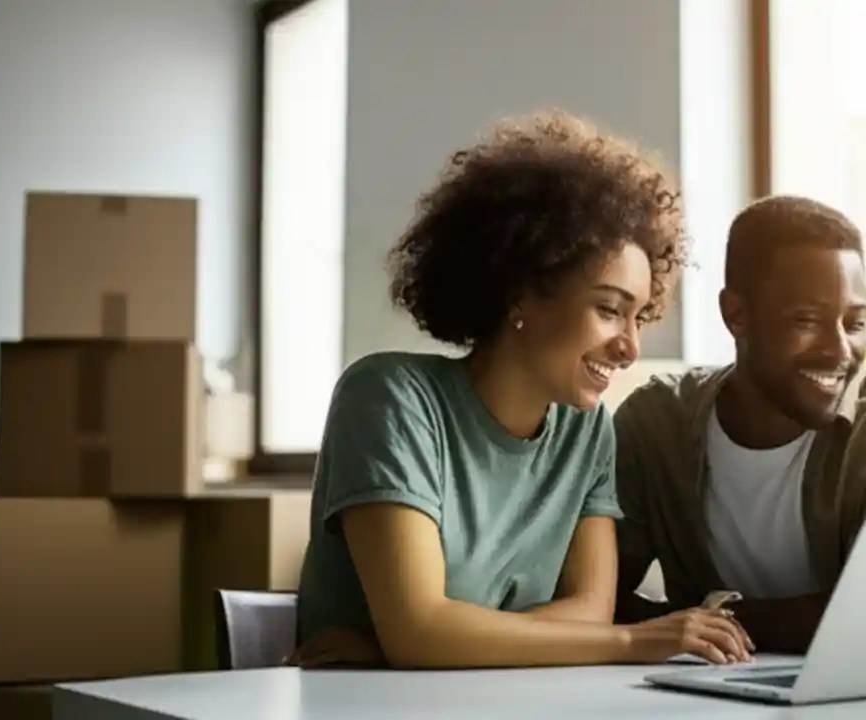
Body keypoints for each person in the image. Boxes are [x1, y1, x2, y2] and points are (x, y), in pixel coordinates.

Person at [290, 110, 753, 670]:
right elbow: (420, 631)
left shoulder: (587, 431)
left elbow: (589, 611)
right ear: (519, 294)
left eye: (639, 317)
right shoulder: (390, 398)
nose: (630, 346)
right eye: (609, 310)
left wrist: (426, 643)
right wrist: (637, 641)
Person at [613, 195, 866, 652]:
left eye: (854, 323)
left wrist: (703, 619)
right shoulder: (655, 423)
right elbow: (601, 597)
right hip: (700, 693)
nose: (839, 351)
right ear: (736, 315)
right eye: (807, 320)